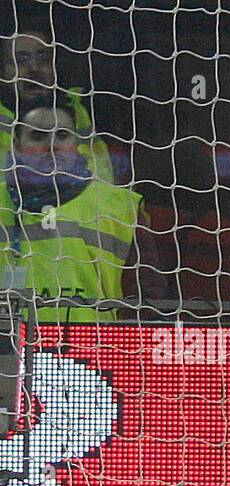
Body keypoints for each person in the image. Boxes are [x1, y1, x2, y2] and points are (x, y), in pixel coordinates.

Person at [0, 102, 169, 319]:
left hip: (92, 348)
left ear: (76, 143)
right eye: (38, 136)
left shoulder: (117, 206)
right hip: (8, 349)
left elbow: (147, 297)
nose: (52, 145)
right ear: (16, 145)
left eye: (62, 135)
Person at [0, 25, 114, 183]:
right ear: (4, 72)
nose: (34, 68)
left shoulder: (84, 109)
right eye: (21, 60)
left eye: (43, 59)